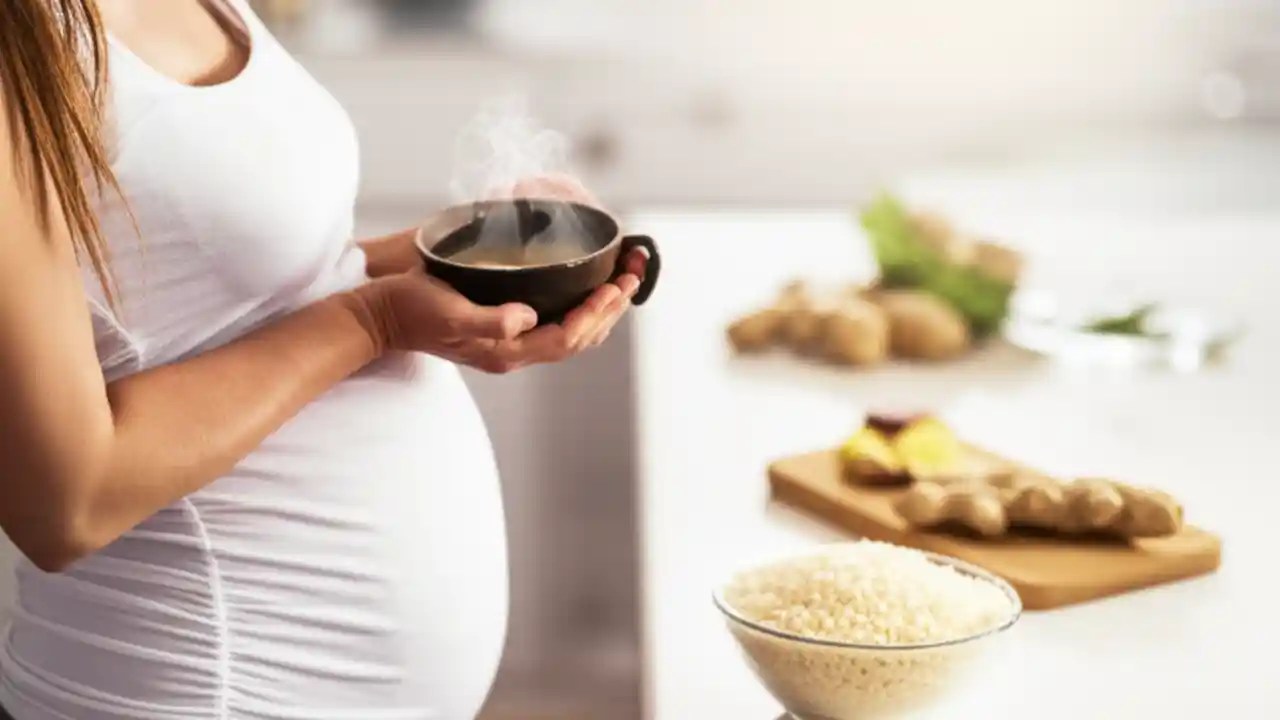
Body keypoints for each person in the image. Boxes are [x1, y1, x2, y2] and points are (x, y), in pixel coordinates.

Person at [0, 1, 646, 718]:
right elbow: (64, 502)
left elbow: (251, 295)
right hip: (196, 683)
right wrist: (375, 320)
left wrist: (482, 257)